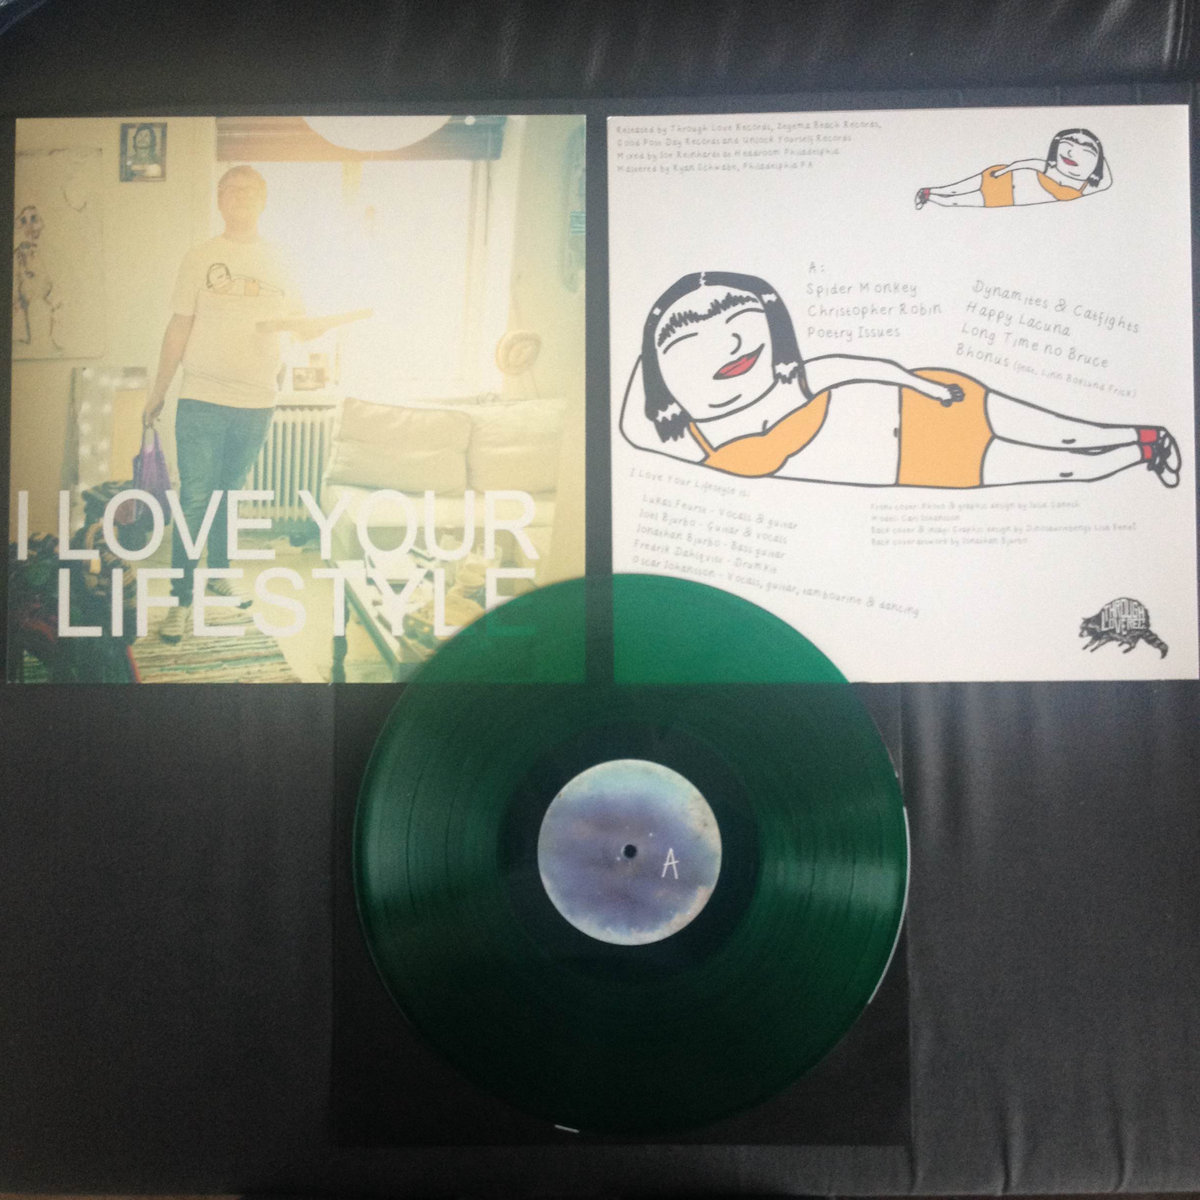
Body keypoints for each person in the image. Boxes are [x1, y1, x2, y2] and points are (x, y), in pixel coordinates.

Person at [620, 271, 1180, 490]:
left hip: (929, 406)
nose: (731, 347)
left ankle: (1142, 433)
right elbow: (629, 423)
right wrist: (657, 328)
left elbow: (870, 369)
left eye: (742, 324)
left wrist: (928, 388)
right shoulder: (685, 439)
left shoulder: (796, 381)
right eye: (689, 343)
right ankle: (1143, 454)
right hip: (918, 466)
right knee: (1066, 470)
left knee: (1065, 433)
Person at [143, 165, 335, 643]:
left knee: (228, 496)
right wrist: (158, 390)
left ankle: (220, 574)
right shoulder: (200, 257)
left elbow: (298, 324)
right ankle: (180, 600)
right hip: (202, 398)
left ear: (264, 199)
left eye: (249, 190)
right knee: (195, 500)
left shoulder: (283, 260)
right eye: (231, 189)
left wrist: (312, 329)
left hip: (257, 400)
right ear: (219, 199)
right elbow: (179, 326)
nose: (240, 196)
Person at [914, 128, 1111, 209]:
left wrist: (1098, 146)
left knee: (956, 202)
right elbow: (1024, 164)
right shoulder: (1049, 168)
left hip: (1005, 198)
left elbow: (1107, 181)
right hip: (1002, 178)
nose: (1071, 153)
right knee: (954, 189)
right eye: (1067, 145)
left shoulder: (1087, 187)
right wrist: (1003, 171)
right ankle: (930, 190)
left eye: (1086, 151)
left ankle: (927, 197)